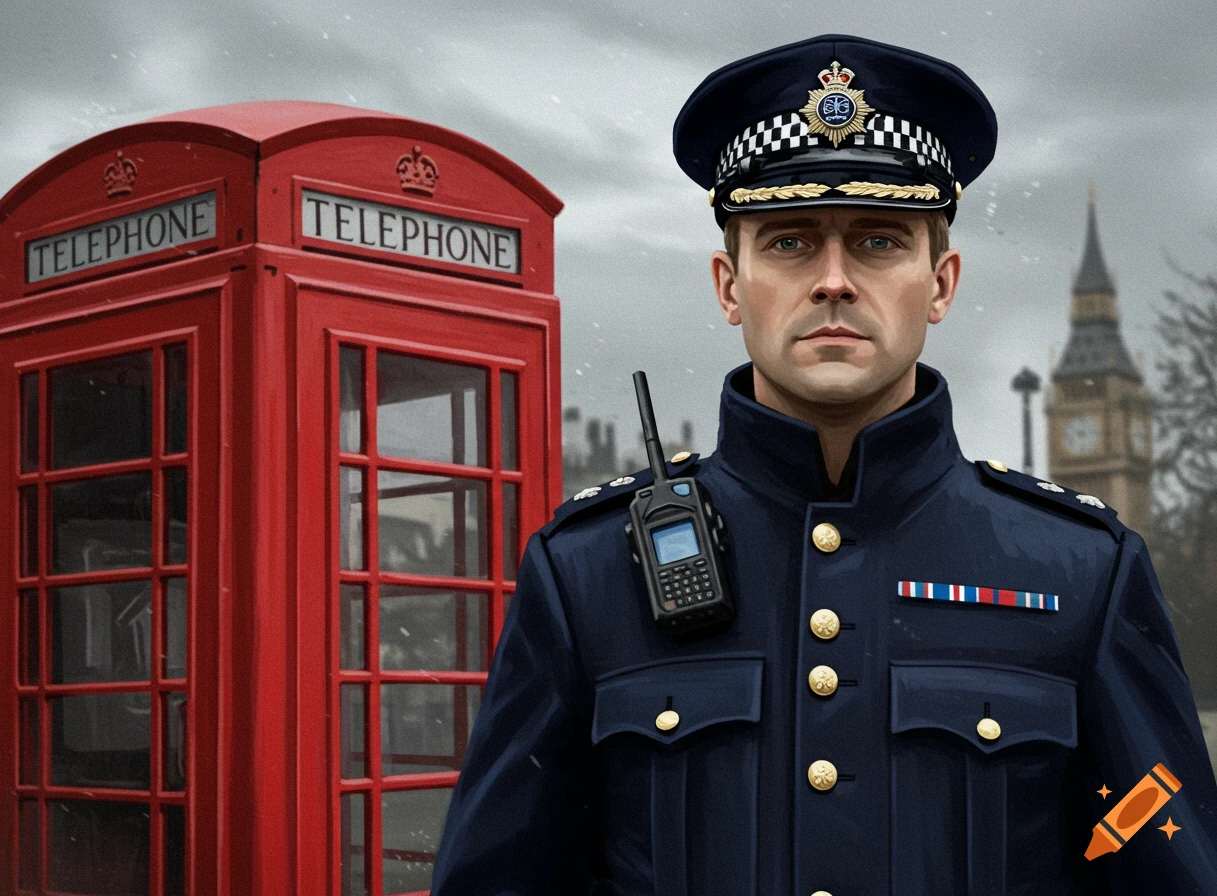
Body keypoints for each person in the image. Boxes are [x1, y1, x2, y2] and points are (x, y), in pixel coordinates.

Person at [430, 33, 1217, 895]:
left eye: (880, 243)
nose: (835, 281)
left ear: (943, 283)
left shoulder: (1083, 574)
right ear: (729, 285)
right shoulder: (583, 576)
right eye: (790, 243)